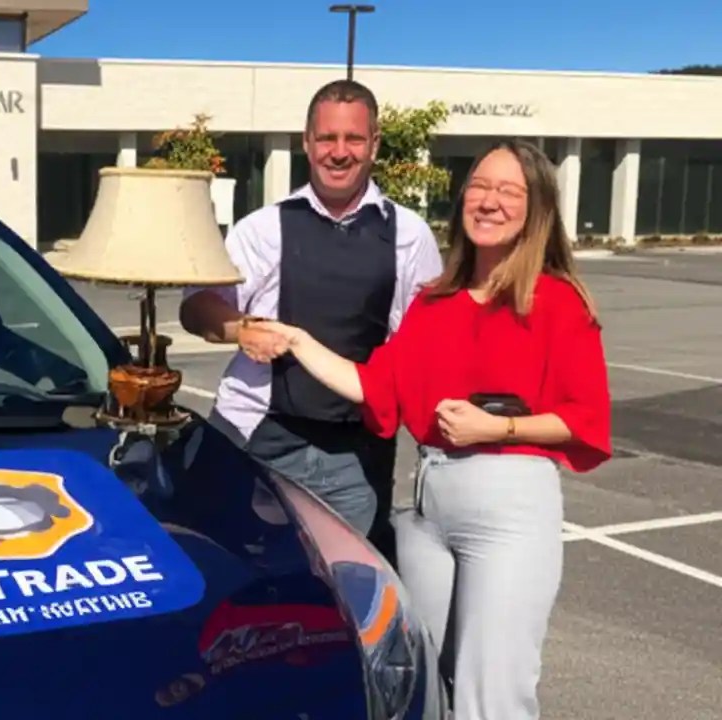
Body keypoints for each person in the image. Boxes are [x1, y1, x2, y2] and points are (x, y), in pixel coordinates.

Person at [258, 138, 613, 719]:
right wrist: (294, 340)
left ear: (537, 210)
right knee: (425, 684)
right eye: (479, 185)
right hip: (428, 509)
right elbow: (377, 385)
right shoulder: (434, 302)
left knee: (492, 690)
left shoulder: (556, 301)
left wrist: (497, 428)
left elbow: (586, 417)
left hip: (508, 508)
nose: (489, 201)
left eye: (509, 191)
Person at [179, 79, 443, 561]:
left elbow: (426, 345)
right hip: (256, 432)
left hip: (356, 452)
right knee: (230, 565)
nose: (338, 152)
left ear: (375, 144)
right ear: (306, 142)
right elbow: (197, 307)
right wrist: (240, 329)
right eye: (326, 138)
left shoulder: (409, 235)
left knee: (347, 585)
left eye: (353, 139)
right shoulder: (262, 228)